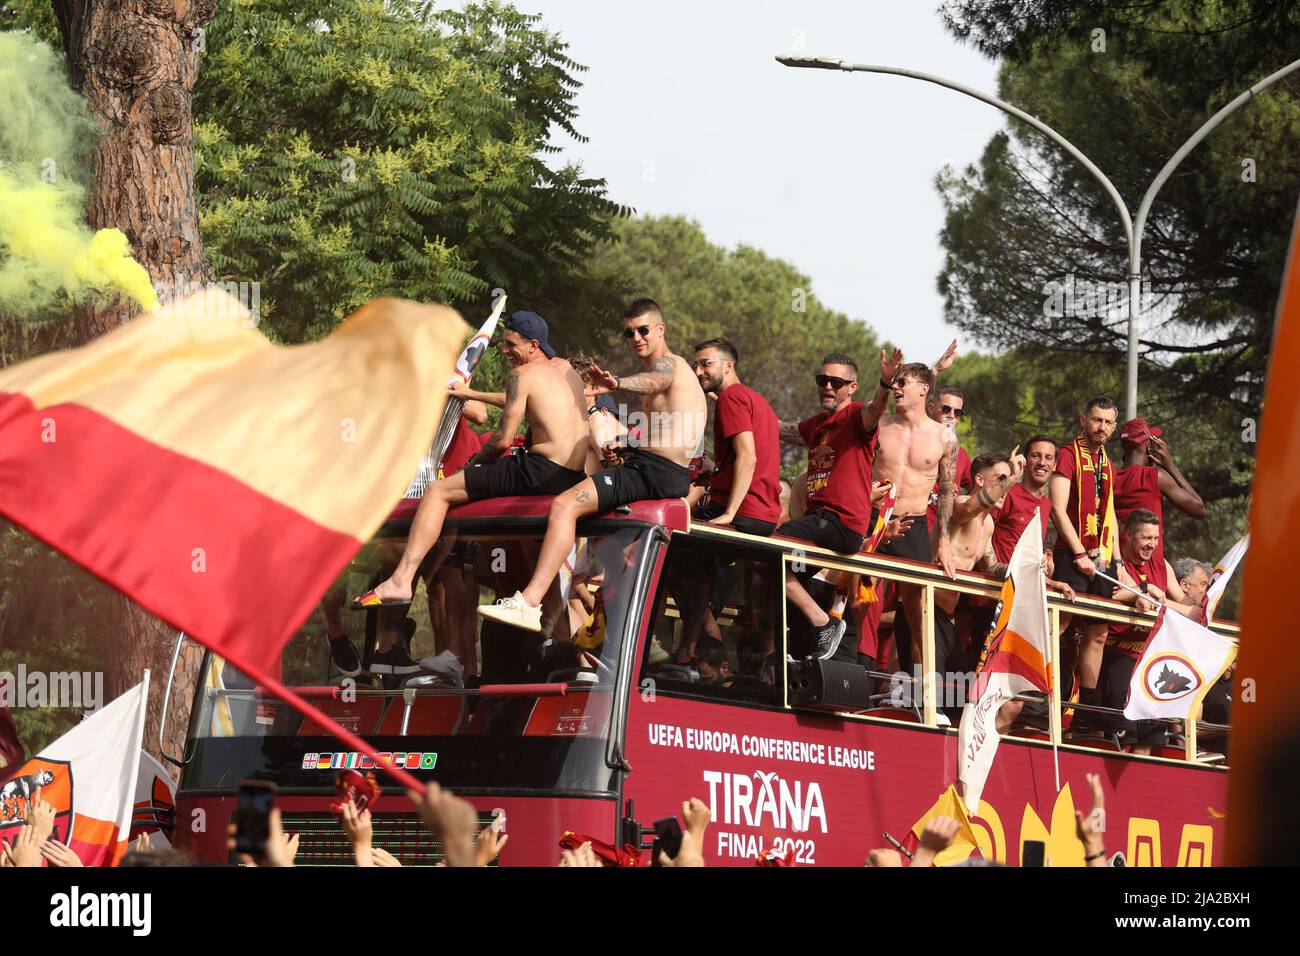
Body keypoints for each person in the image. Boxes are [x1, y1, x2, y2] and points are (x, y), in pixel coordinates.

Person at [478, 299, 707, 631]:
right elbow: (665, 430)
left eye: (643, 330)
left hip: (654, 472)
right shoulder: (664, 384)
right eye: (629, 333)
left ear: (661, 329)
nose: (636, 338)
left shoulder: (670, 365)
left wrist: (617, 384)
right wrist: (628, 443)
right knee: (602, 537)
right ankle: (628, 606)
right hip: (653, 466)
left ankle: (529, 601)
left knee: (564, 505)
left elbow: (656, 380)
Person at [353, 311, 589, 611]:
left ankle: (401, 580)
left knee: (438, 492)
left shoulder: (521, 375)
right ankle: (560, 638)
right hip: (572, 476)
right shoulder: (565, 370)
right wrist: (472, 393)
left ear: (532, 345)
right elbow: (524, 397)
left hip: (539, 471)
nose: (503, 350)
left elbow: (503, 439)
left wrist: (475, 463)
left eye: (510, 344)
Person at [774, 349, 900, 659]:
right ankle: (799, 649)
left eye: (835, 381)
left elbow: (875, 409)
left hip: (839, 524)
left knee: (771, 544)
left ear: (851, 386)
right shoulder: (817, 424)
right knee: (777, 573)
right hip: (819, 522)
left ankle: (823, 623)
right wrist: (732, 401)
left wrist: (885, 383)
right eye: (822, 380)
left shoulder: (857, 415)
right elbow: (780, 427)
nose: (827, 387)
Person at [873, 361, 960, 677]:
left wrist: (945, 542)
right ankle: (844, 676)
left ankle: (924, 697)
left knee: (917, 614)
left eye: (902, 383)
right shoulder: (881, 424)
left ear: (923, 390)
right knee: (854, 598)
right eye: (894, 383)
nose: (895, 388)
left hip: (913, 525)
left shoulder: (944, 437)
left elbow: (948, 491)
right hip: (876, 520)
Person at [1097, 508, 1201, 752]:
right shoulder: (1116, 564)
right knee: (1124, 743)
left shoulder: (1161, 564)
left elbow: (1185, 604)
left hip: (1153, 662)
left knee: (1150, 742)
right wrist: (1145, 592)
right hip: (1120, 657)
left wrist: (1200, 602)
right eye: (1145, 538)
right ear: (1128, 535)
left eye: (1155, 539)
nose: (1152, 545)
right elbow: (1118, 591)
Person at [1049, 396, 1120, 724]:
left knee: (1098, 632)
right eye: (1096, 420)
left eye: (1107, 422)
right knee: (1059, 627)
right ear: (1083, 421)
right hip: (1070, 554)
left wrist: (1116, 559)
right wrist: (1078, 553)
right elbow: (1057, 509)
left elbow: (1110, 514)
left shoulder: (1108, 463)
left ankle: (1087, 711)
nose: (1101, 427)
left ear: (1114, 427)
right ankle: (1043, 698)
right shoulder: (1067, 455)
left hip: (1102, 558)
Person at [689, 338, 782, 534]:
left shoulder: (731, 398)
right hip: (763, 515)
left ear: (728, 366)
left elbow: (748, 457)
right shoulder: (756, 400)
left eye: (706, 364)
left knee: (669, 547)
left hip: (738, 512)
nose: (698, 371)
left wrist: (730, 513)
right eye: (695, 365)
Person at [1113, 418, 1206, 571]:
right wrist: (1170, 465)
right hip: (1148, 568)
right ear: (1150, 447)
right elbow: (1199, 509)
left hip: (1118, 567)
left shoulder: (1112, 477)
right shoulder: (1155, 477)